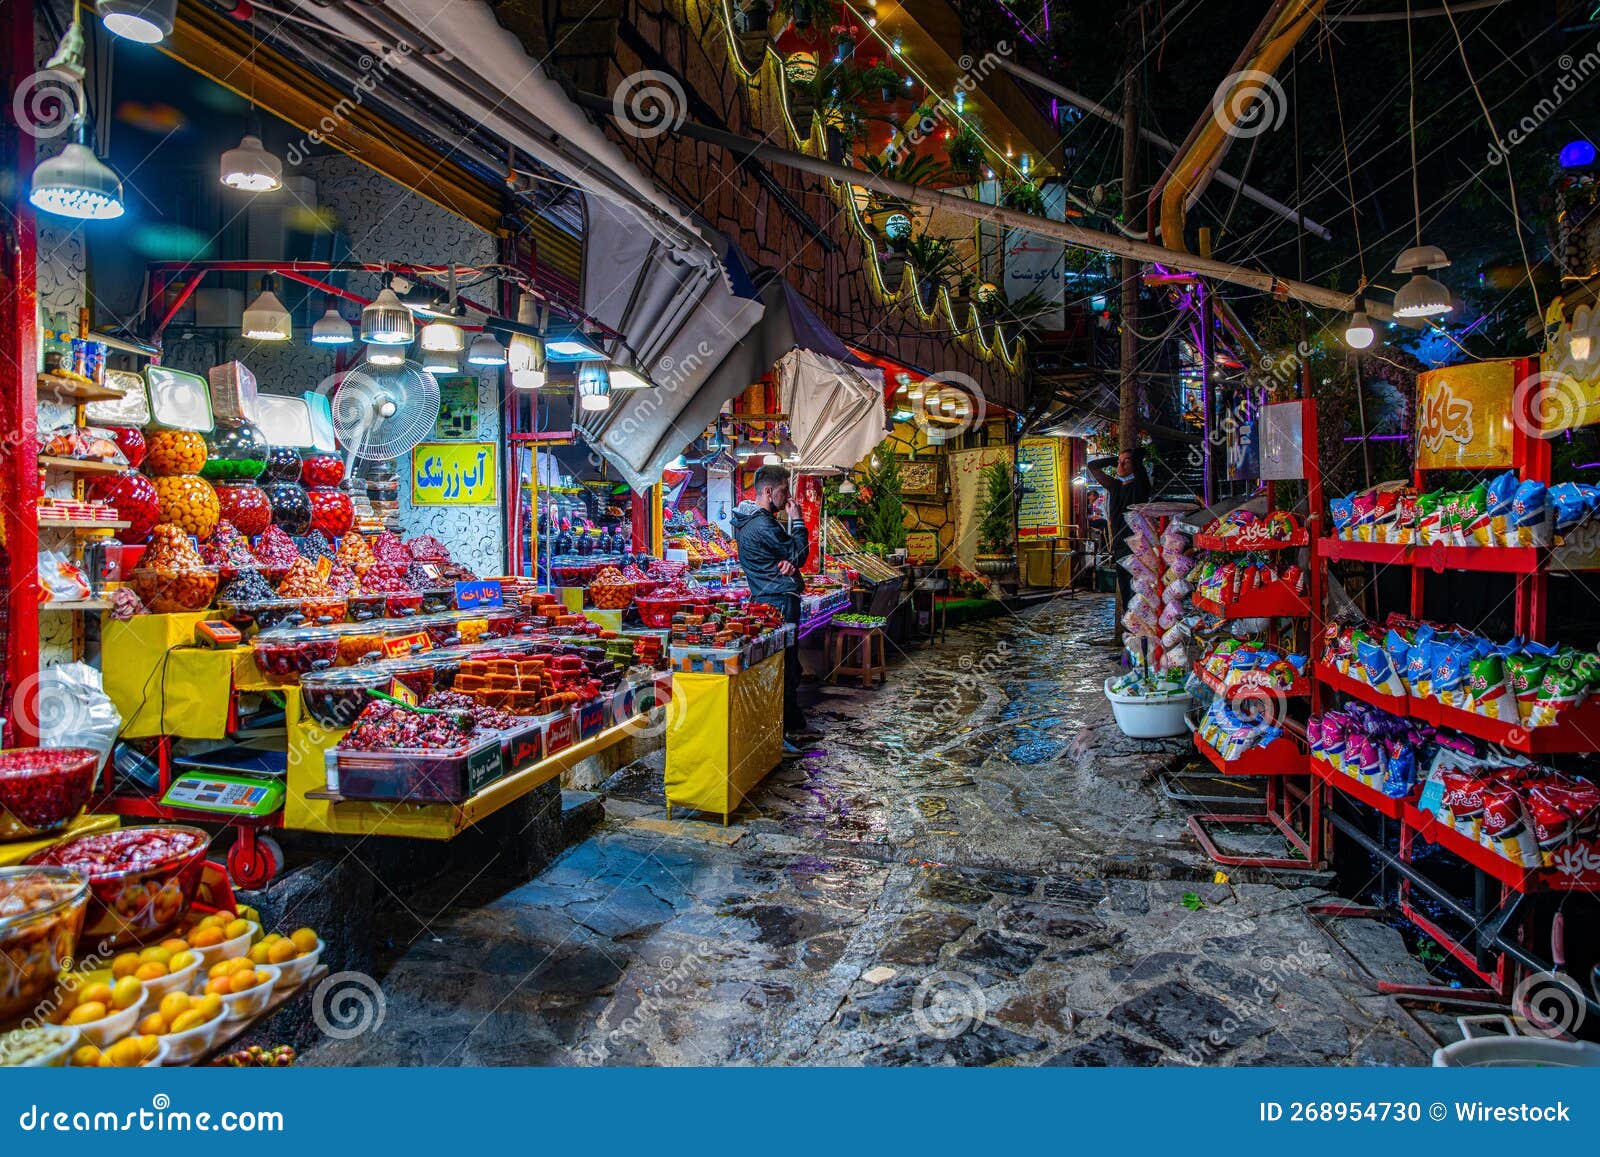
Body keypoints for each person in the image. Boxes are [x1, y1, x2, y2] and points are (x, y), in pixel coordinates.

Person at [730, 465, 819, 749]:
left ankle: (791, 725)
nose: (789, 497)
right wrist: (797, 520)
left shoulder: (750, 522)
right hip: (778, 602)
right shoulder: (763, 524)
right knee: (785, 667)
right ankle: (781, 734)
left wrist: (790, 563)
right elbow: (800, 553)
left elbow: (790, 557)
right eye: (784, 490)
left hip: (771, 599)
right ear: (769, 492)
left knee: (787, 664)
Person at [1087, 447, 1152, 636]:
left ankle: (1142, 640)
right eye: (1119, 462)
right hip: (1120, 549)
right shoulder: (1115, 486)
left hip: (1137, 549)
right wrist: (1117, 458)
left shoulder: (1140, 486)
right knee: (1126, 596)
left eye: (1126, 462)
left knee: (1137, 596)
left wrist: (1133, 460)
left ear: (1136, 465)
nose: (1121, 465)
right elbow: (1093, 465)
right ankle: (1131, 641)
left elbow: (1139, 468)